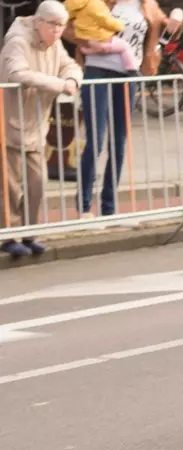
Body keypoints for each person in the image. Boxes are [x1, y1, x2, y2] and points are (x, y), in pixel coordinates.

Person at [1, 0, 81, 257]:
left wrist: (71, 78)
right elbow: (17, 73)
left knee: (37, 183)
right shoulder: (18, 41)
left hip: (36, 125)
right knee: (10, 186)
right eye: (54, 25)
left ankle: (29, 233)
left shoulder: (54, 43)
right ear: (38, 22)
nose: (58, 31)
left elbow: (70, 65)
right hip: (10, 123)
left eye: (62, 26)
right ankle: (8, 234)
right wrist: (59, 85)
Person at [74, 0, 150, 219]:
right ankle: (84, 205)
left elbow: (163, 29)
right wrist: (88, 42)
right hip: (98, 69)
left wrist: (177, 15)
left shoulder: (145, 4)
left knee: (119, 141)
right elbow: (71, 27)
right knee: (96, 140)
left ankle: (110, 207)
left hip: (128, 73)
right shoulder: (102, 2)